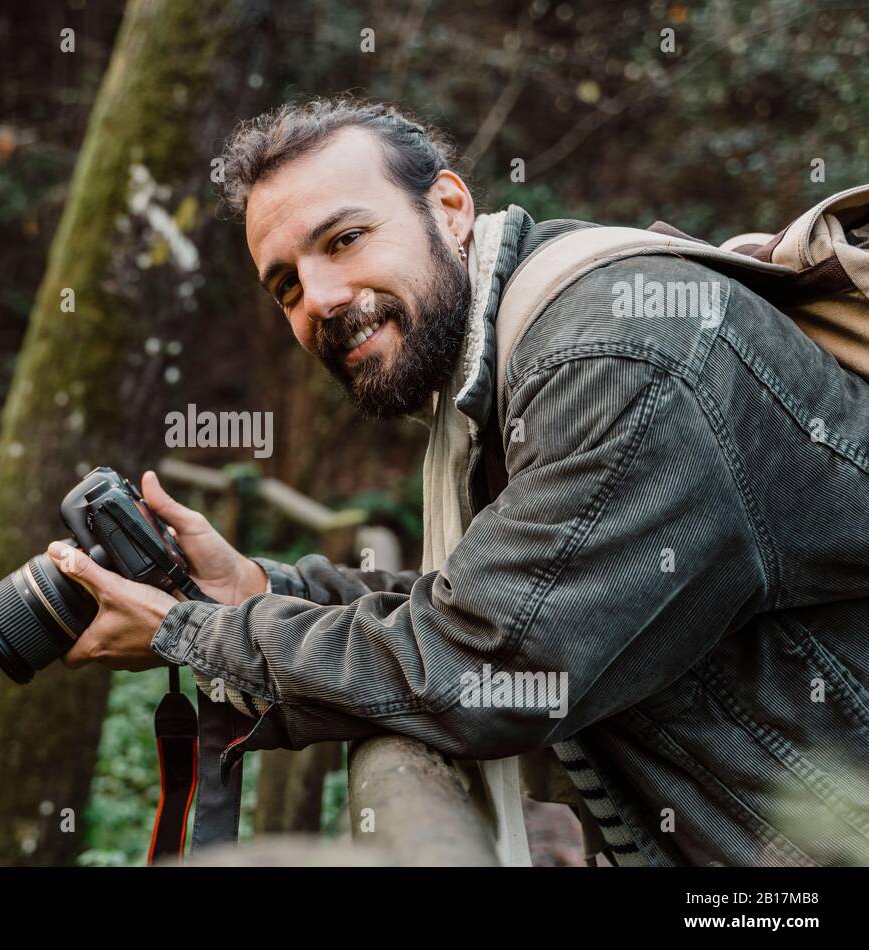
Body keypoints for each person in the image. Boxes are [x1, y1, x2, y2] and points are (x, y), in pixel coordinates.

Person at [46, 97, 869, 866]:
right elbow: (500, 597)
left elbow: (482, 662)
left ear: (448, 207)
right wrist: (252, 585)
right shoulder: (513, 347)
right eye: (286, 285)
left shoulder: (615, 359)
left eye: (344, 239)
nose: (322, 300)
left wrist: (190, 633)